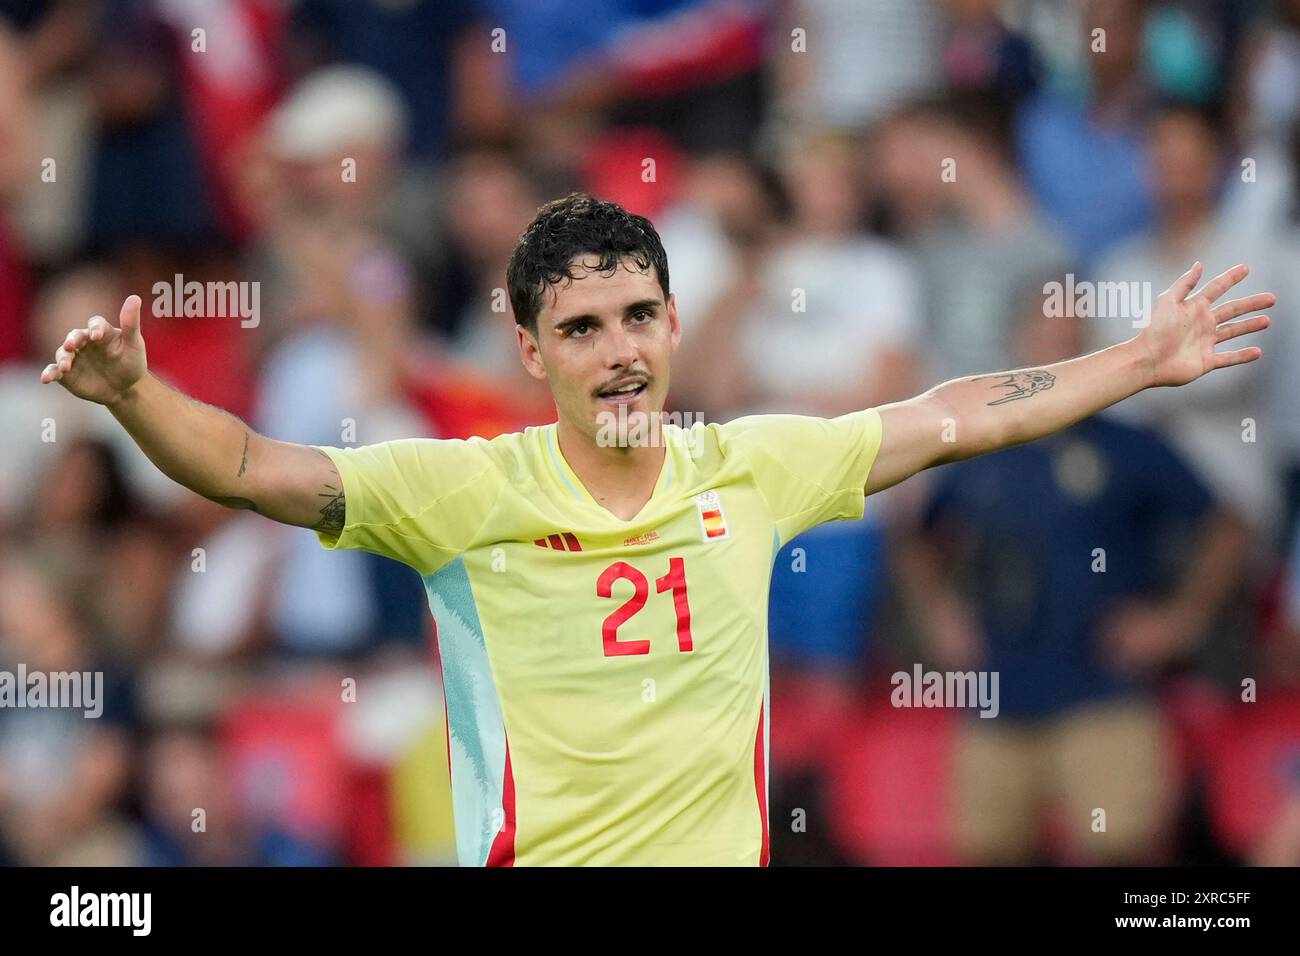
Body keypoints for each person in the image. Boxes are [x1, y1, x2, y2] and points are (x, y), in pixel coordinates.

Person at [40, 193, 1274, 866]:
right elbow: (258, 466)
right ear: (529, 350)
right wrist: (138, 394)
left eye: (638, 316)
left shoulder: (753, 463)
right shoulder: (463, 491)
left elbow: (950, 416)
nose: (620, 352)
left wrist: (1138, 359)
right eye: (581, 329)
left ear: (674, 321)